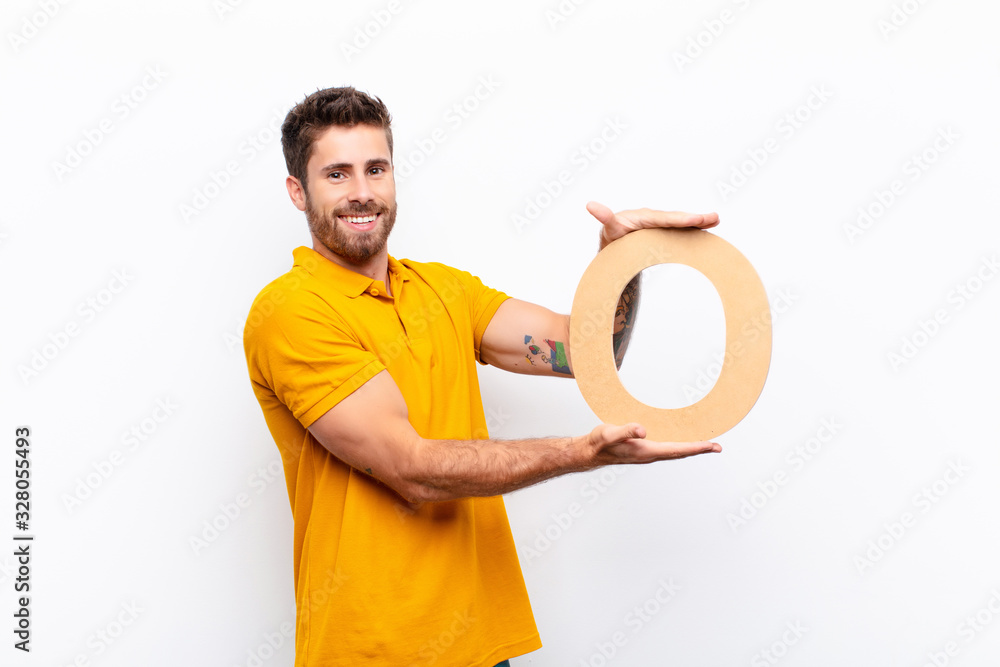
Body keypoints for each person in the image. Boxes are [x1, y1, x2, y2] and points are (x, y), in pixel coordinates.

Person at [243, 86, 722, 667]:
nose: (363, 192)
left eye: (376, 169)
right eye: (336, 175)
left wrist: (621, 260)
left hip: (480, 644)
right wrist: (580, 452)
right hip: (373, 649)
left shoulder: (444, 290)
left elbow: (587, 353)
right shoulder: (292, 312)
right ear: (299, 191)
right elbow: (412, 469)